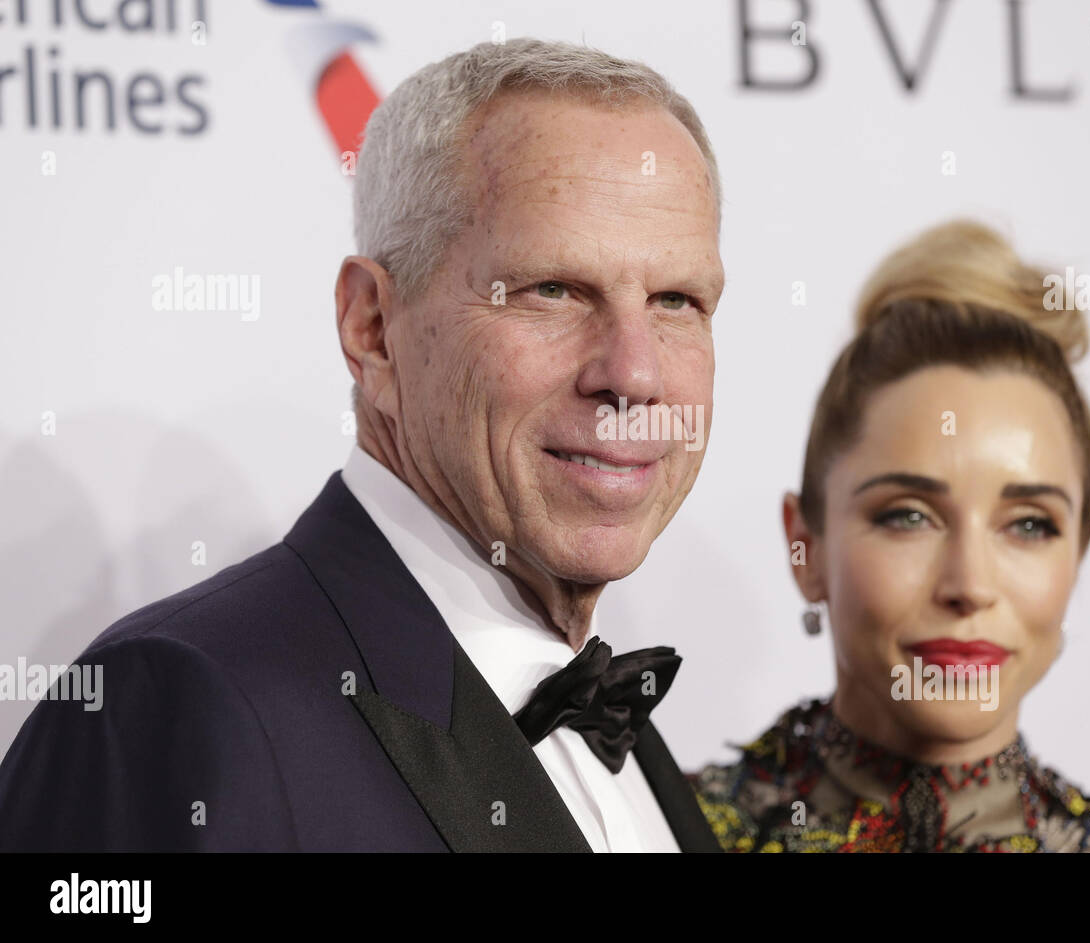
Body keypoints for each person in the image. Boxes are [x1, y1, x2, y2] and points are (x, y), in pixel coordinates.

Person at [0, 38, 726, 852]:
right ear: (373, 328)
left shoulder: (629, 742)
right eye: (550, 290)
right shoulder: (176, 709)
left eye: (677, 300)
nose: (633, 372)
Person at [690, 221, 1090, 853]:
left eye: (1029, 525)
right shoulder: (653, 831)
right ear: (805, 547)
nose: (969, 585)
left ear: (1078, 555)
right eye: (908, 516)